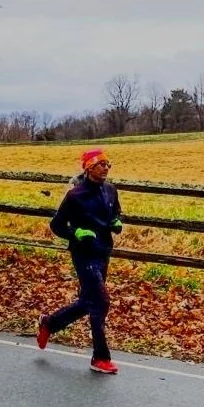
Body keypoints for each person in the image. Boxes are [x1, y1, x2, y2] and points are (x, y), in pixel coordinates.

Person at [37, 148, 122, 374]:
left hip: (103, 252)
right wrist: (75, 232)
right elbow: (56, 226)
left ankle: (50, 323)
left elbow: (116, 214)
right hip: (83, 254)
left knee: (88, 301)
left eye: (107, 164)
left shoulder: (111, 191)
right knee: (101, 301)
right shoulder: (75, 196)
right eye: (101, 164)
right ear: (88, 168)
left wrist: (116, 223)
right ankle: (100, 358)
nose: (106, 168)